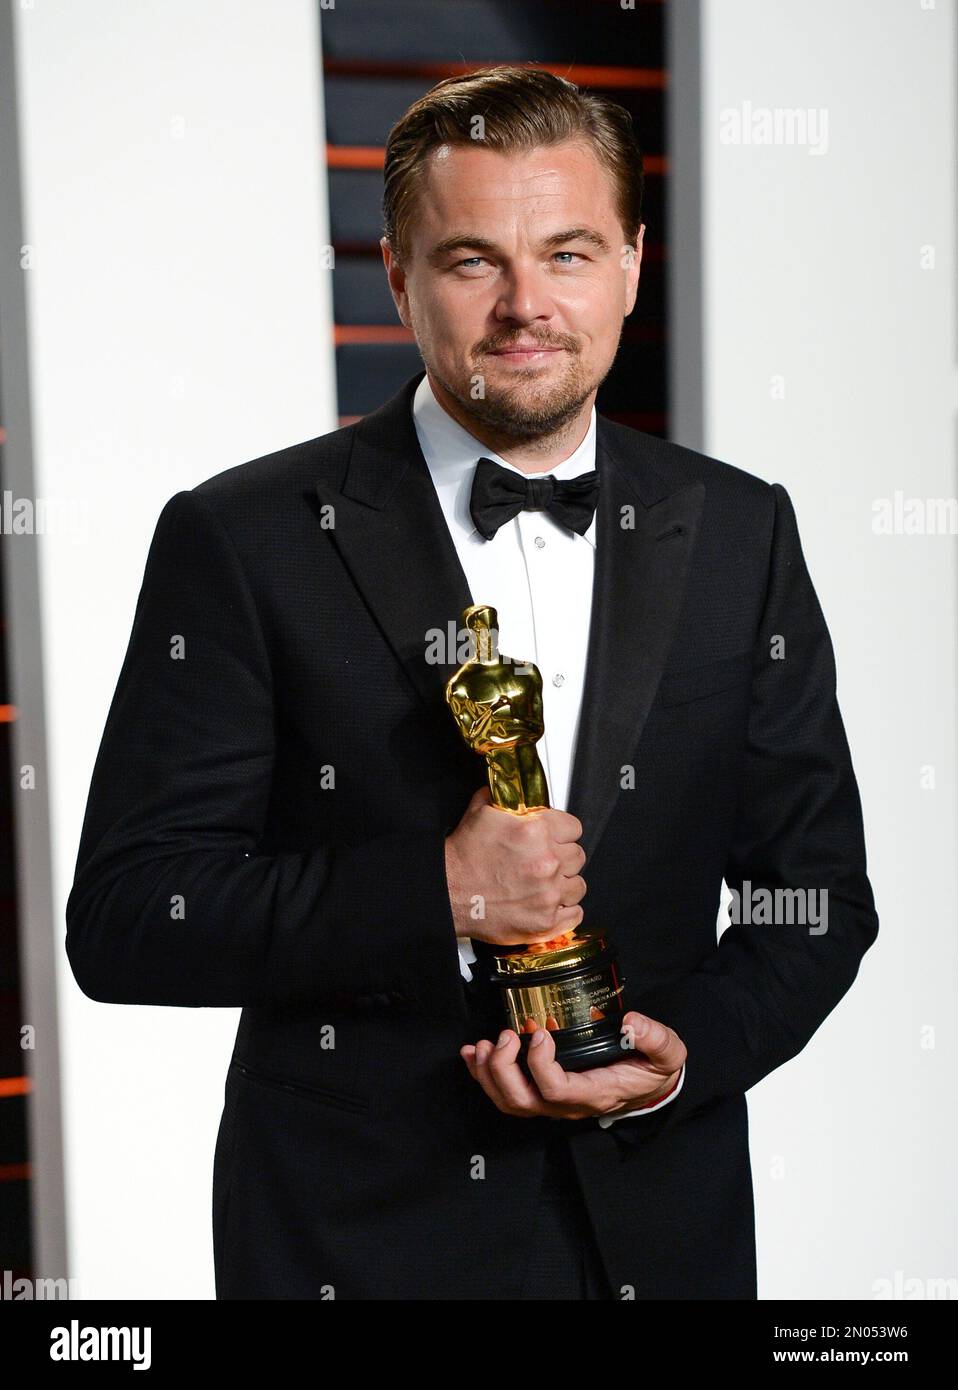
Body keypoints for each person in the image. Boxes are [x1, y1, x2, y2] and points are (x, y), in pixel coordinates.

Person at [66, 65, 878, 1300]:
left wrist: (678, 1056)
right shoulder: (242, 536)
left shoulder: (740, 528)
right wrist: (436, 892)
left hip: (664, 1237)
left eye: (566, 253)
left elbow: (814, 898)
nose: (524, 306)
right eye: (469, 261)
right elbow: (128, 918)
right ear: (396, 276)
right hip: (353, 1245)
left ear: (631, 264)